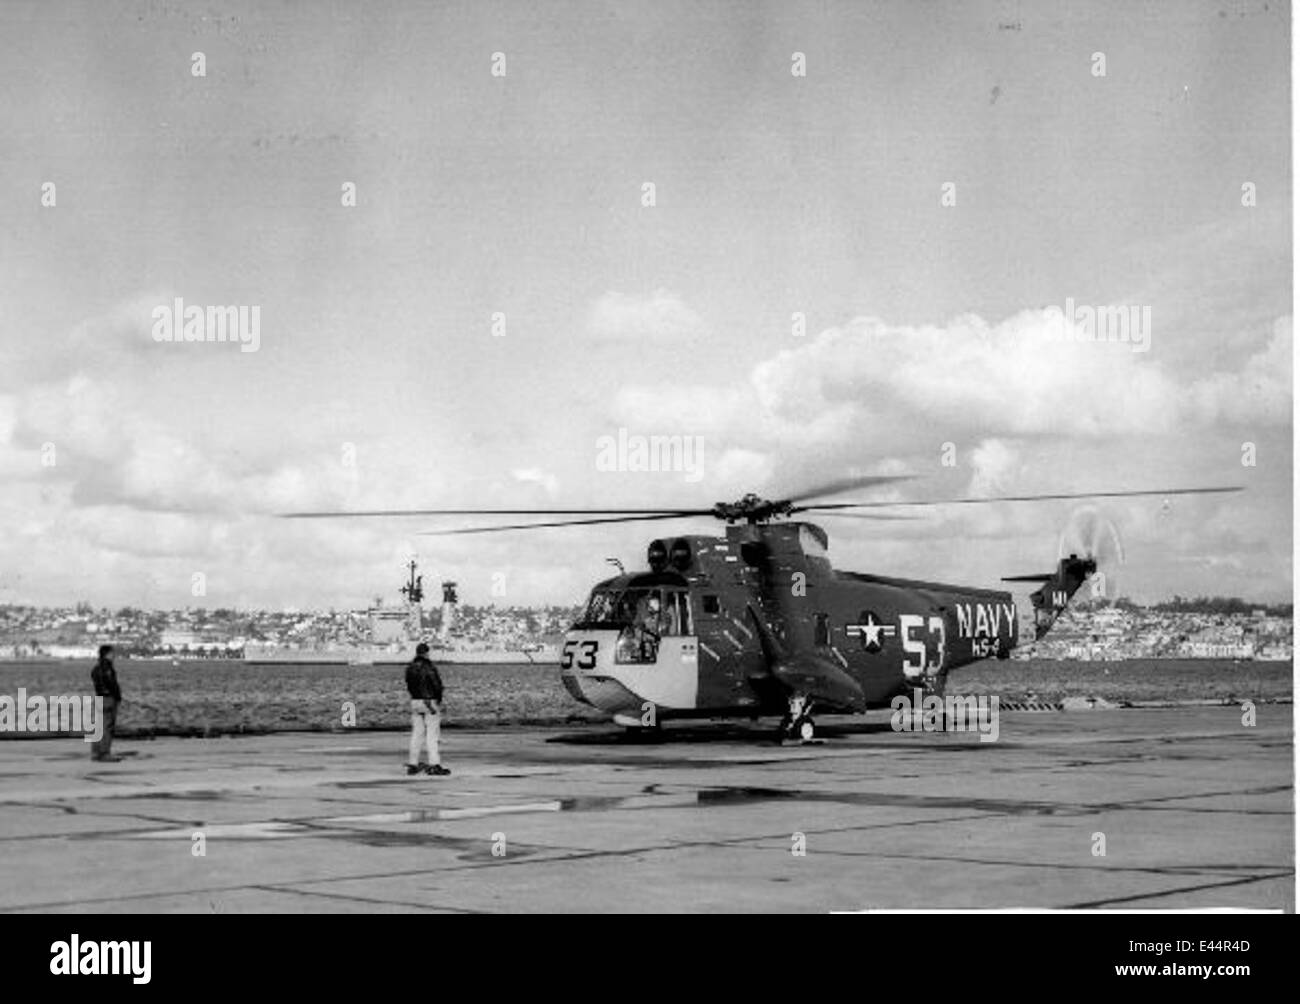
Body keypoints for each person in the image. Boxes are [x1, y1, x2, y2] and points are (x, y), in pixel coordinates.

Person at [404, 642, 449, 776]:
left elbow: (409, 685)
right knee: (432, 734)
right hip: (429, 701)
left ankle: (412, 764)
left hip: (415, 701)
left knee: (417, 734)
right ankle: (434, 764)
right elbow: (437, 685)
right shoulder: (429, 667)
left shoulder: (410, 668)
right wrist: (438, 699)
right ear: (427, 653)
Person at [90, 644, 122, 762]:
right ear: (107, 654)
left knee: (98, 727)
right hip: (108, 698)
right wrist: (118, 696)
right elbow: (112, 684)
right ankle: (104, 753)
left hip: (99, 697)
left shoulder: (96, 668)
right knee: (108, 727)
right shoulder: (108, 668)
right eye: (112, 653)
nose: (114, 655)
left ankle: (95, 752)